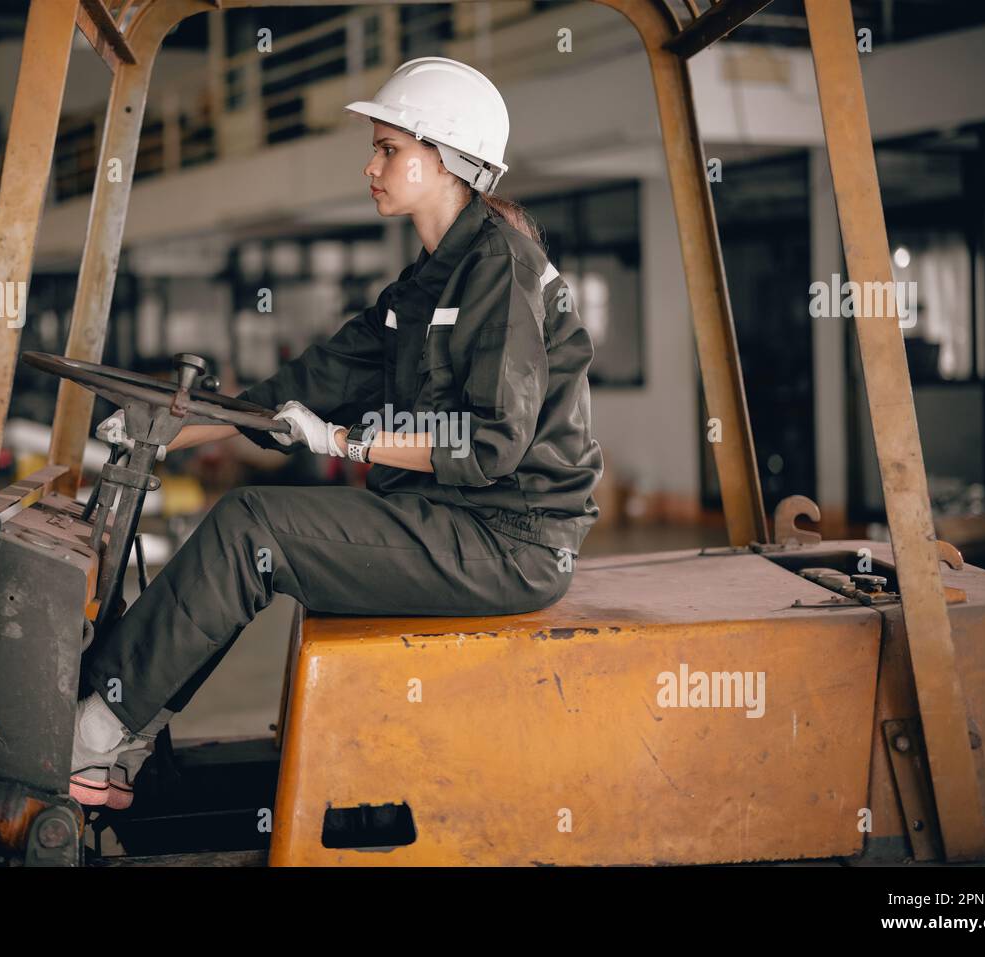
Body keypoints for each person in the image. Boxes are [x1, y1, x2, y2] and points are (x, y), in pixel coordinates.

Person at [70, 56, 605, 809]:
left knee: (254, 526)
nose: (371, 165)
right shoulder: (426, 283)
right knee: (251, 526)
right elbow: (303, 387)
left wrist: (342, 443)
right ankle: (119, 733)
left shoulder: (500, 268)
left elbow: (490, 444)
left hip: (508, 542)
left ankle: (93, 733)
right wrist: (164, 429)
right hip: (453, 521)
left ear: (446, 157)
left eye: (389, 149)